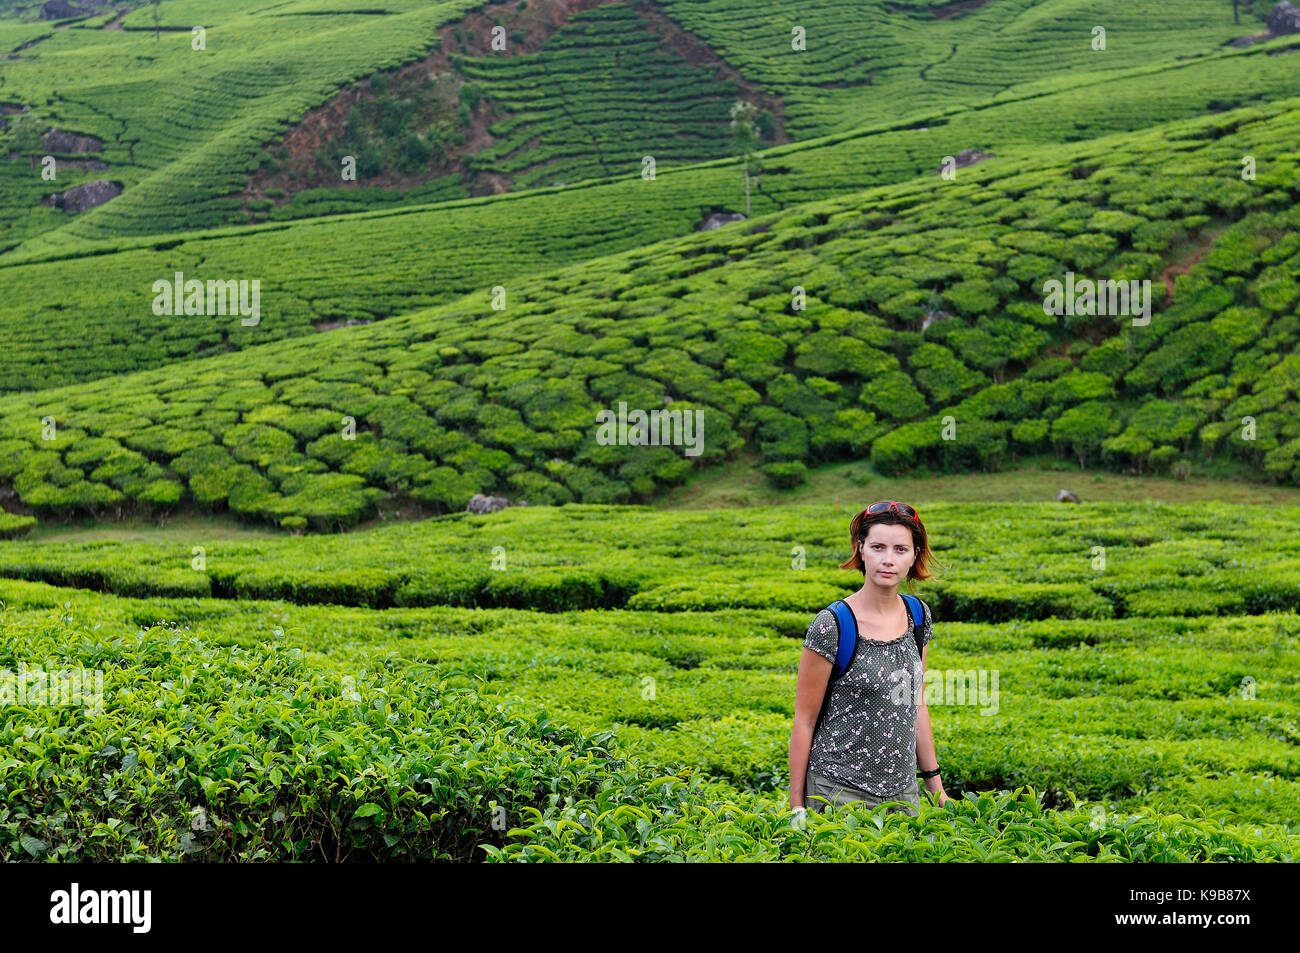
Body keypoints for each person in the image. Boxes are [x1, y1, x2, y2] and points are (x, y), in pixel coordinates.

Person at [789, 500, 948, 818]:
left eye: (900, 550)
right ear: (861, 549)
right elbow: (804, 721)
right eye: (878, 547)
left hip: (903, 796)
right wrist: (796, 808)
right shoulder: (833, 624)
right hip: (837, 793)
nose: (888, 560)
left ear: (915, 554)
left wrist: (936, 788)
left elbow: (916, 704)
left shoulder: (918, 615)